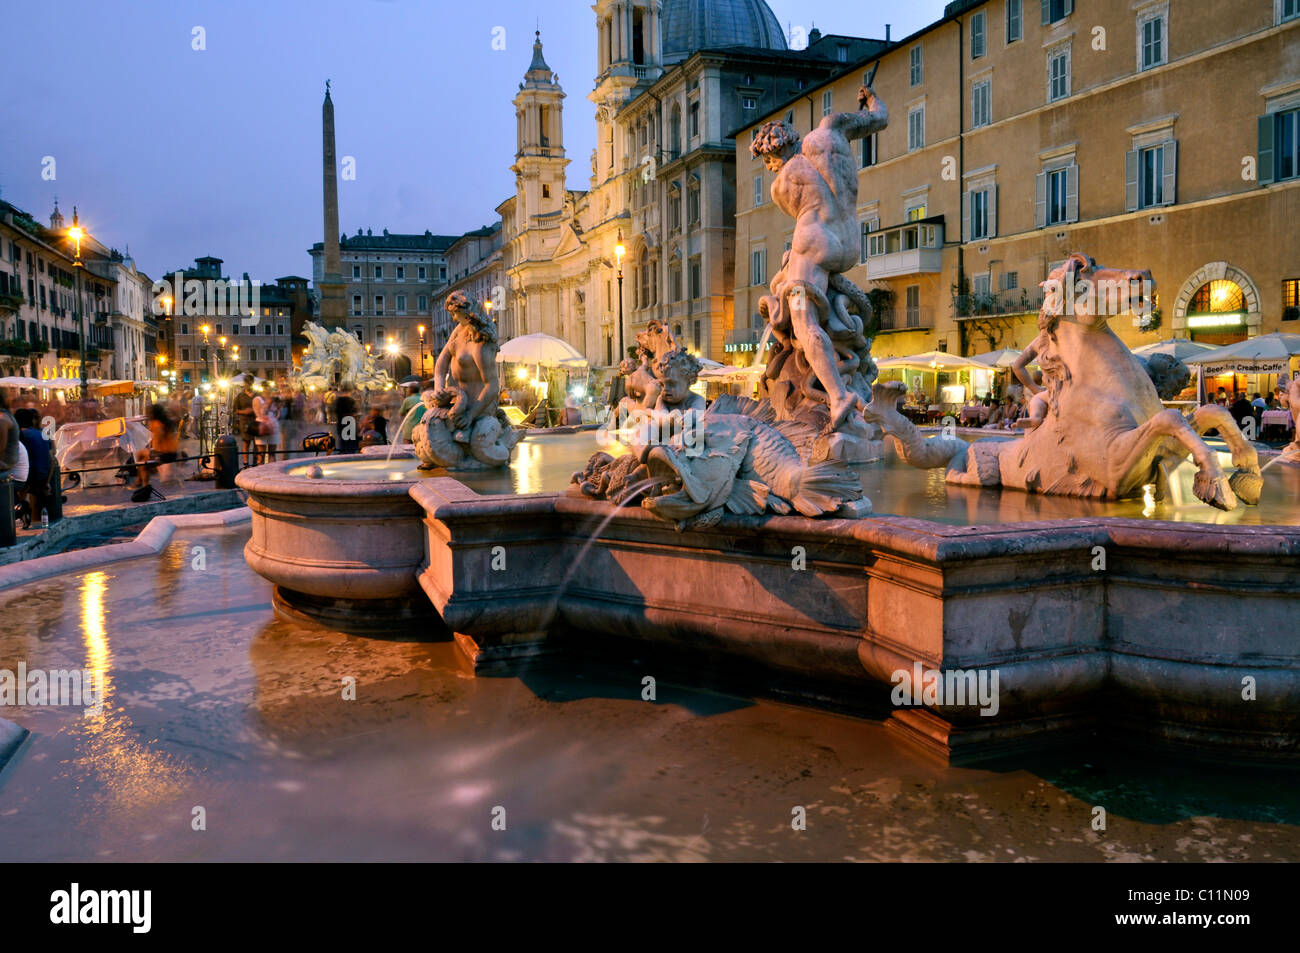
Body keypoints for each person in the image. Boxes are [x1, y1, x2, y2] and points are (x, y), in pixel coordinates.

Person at [750, 84, 889, 431]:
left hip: (811, 245)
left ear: (772, 154)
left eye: (766, 161)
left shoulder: (781, 183)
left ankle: (837, 394)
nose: (768, 167)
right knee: (784, 282)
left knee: (803, 320)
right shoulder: (830, 131)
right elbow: (879, 118)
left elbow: (802, 216)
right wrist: (870, 100)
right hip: (847, 244)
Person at [14, 408, 51, 527]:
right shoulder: (40, 434)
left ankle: (21, 510)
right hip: (43, 475)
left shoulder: (22, 435)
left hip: (31, 477)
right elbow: (51, 457)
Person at [134, 402, 180, 488]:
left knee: (141, 460)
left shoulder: (156, 423)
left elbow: (158, 439)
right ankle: (140, 482)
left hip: (163, 454)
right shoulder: (165, 421)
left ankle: (143, 485)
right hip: (172, 452)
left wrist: (152, 450)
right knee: (141, 457)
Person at [232, 380, 256, 462]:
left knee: (257, 443)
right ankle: (246, 463)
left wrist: (255, 410)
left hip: (256, 421)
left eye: (249, 383)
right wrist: (244, 412)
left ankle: (255, 462)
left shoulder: (257, 395)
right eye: (246, 383)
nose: (248, 385)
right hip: (245, 422)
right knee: (246, 442)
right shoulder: (240, 396)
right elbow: (235, 410)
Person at [254, 394, 280, 465]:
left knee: (272, 454)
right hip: (262, 428)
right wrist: (268, 404)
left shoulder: (275, 400)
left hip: (273, 428)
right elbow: (260, 413)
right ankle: (261, 472)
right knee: (261, 454)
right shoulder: (258, 399)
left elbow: (278, 414)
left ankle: (271, 472)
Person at [335, 389, 358, 454]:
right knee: (350, 443)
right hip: (348, 423)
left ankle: (343, 452)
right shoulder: (349, 400)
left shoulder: (338, 401)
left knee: (343, 441)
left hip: (342, 423)